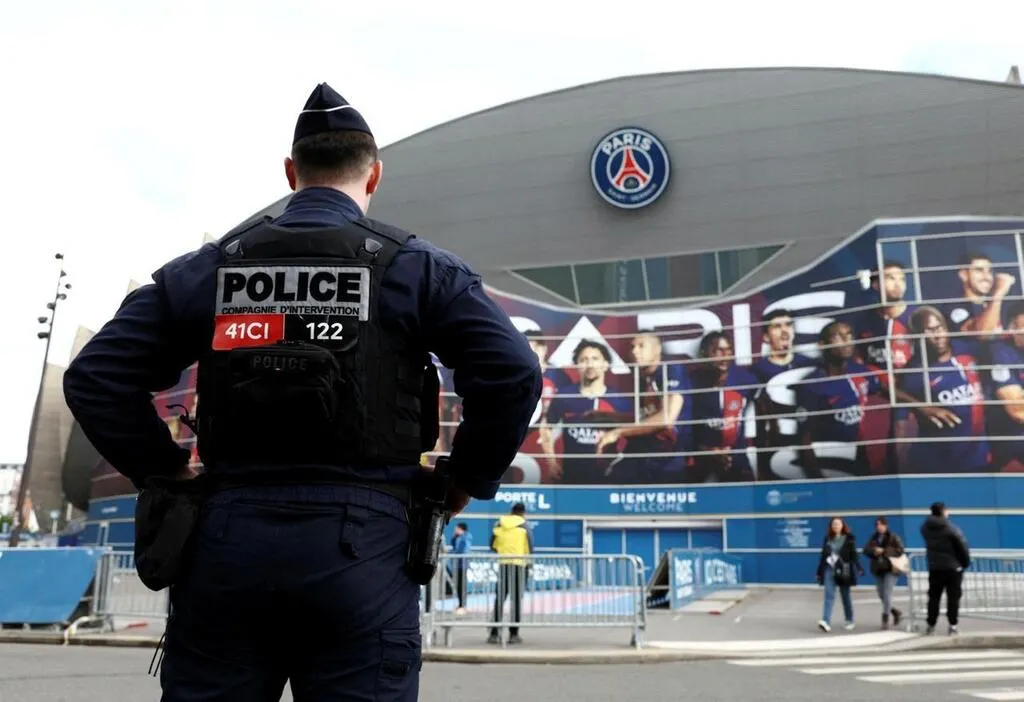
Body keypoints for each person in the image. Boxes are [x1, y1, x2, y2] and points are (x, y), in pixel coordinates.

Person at [62, 82, 542, 702]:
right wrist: (465, 480)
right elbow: (514, 372)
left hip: (226, 542)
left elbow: (95, 375)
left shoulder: (211, 269)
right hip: (364, 547)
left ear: (292, 173)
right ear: (373, 178)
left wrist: (167, 472)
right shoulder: (417, 268)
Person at [920, 501, 971, 635]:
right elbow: (962, 546)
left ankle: (931, 624)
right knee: (953, 598)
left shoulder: (925, 528)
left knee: (934, 597)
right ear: (943, 511)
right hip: (952, 567)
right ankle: (952, 625)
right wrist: (965, 563)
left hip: (935, 566)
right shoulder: (950, 528)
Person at [488, 502, 533, 644]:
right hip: (519, 565)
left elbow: (492, 545)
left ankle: (494, 634)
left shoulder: (499, 524)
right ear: (523, 512)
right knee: (516, 601)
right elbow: (529, 547)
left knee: (500, 599)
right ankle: (514, 634)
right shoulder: (524, 525)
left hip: (503, 565)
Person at [815, 516, 864, 633]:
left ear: (842, 525)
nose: (835, 526)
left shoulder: (849, 538)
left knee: (845, 595)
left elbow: (853, 554)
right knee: (829, 595)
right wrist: (818, 572)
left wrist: (858, 567)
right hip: (829, 569)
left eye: (838, 524)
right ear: (831, 527)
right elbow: (823, 556)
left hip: (843, 570)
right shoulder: (828, 538)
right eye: (833, 524)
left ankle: (849, 619)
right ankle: (826, 621)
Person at [863, 516, 906, 629]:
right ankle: (896, 612)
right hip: (878, 569)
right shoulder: (873, 538)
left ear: (885, 525)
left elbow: (900, 550)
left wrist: (884, 551)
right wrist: (874, 551)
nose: (879, 527)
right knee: (881, 594)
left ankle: (885, 618)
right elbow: (865, 550)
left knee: (887, 593)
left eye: (881, 524)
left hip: (891, 569)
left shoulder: (893, 537)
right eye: (877, 525)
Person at [449, 522, 472, 615]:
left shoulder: (466, 537)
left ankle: (463, 605)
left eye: (456, 528)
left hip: (462, 564)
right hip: (457, 564)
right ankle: (460, 604)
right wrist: (454, 537)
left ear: (460, 529)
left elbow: (460, 550)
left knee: (462, 585)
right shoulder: (458, 537)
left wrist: (453, 553)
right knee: (458, 585)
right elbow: (454, 546)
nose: (455, 530)